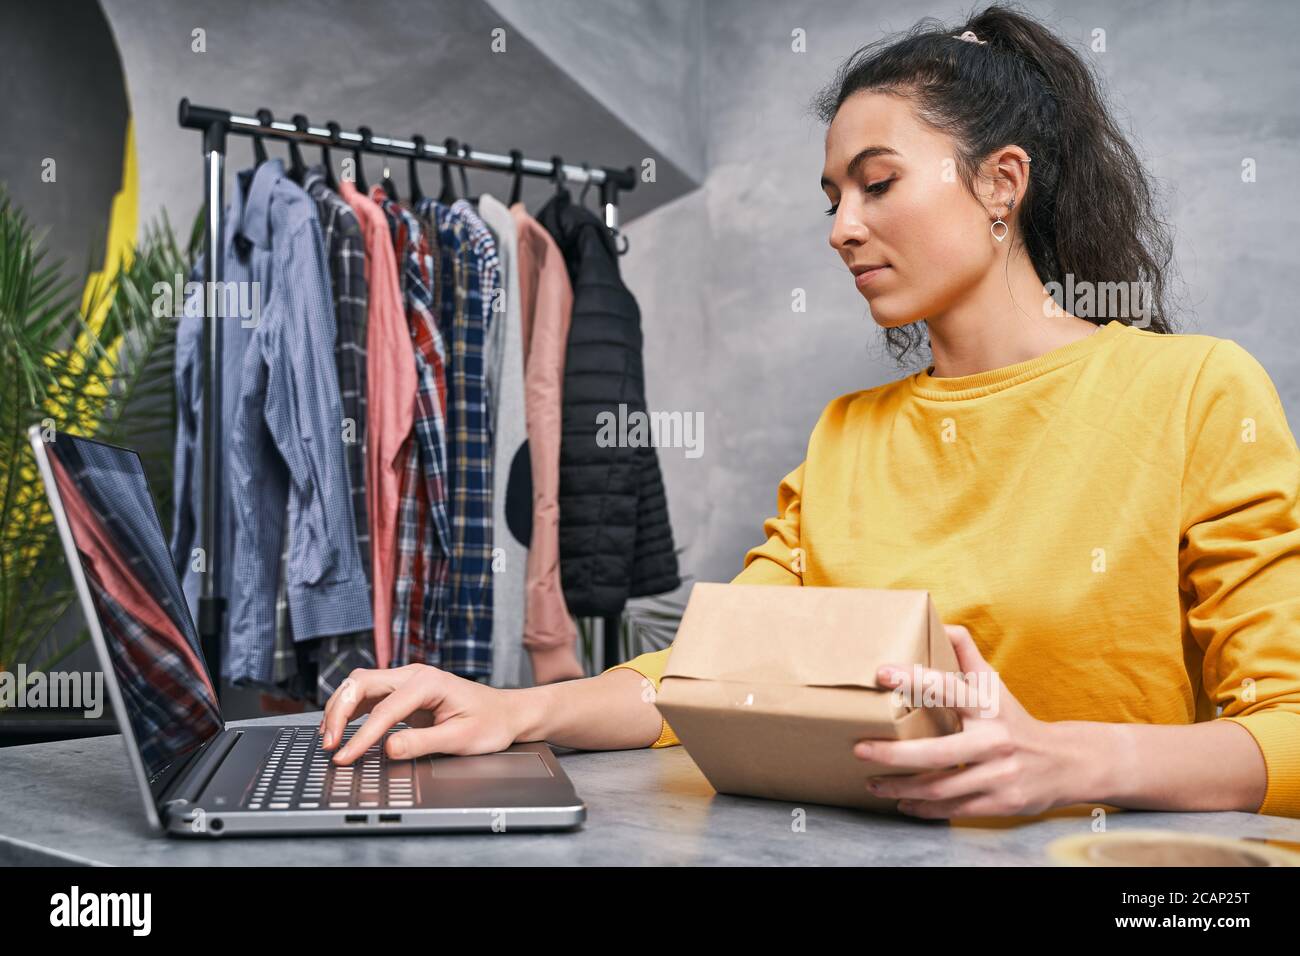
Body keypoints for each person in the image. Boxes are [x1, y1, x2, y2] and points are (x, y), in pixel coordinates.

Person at [318, 5, 1300, 820]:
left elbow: (1286, 727)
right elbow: (711, 666)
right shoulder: (848, 432)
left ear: (1002, 183)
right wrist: (513, 710)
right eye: (832, 196)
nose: (840, 228)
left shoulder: (1196, 392)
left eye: (876, 184)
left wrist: (1068, 761)